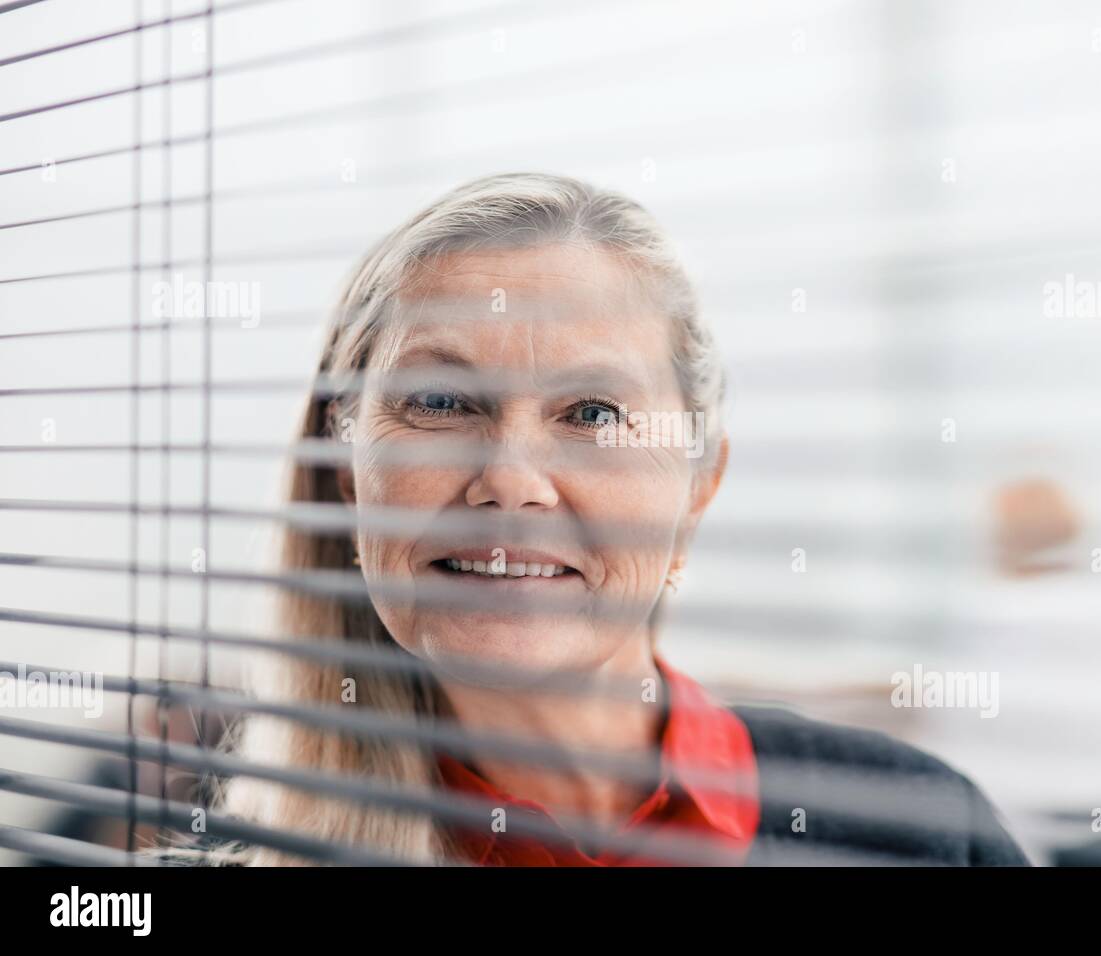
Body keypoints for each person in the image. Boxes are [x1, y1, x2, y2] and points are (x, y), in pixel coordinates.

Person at [183, 172, 1028, 867]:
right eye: (439, 401)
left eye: (591, 413)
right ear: (344, 473)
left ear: (698, 487)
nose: (511, 481)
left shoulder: (924, 833)